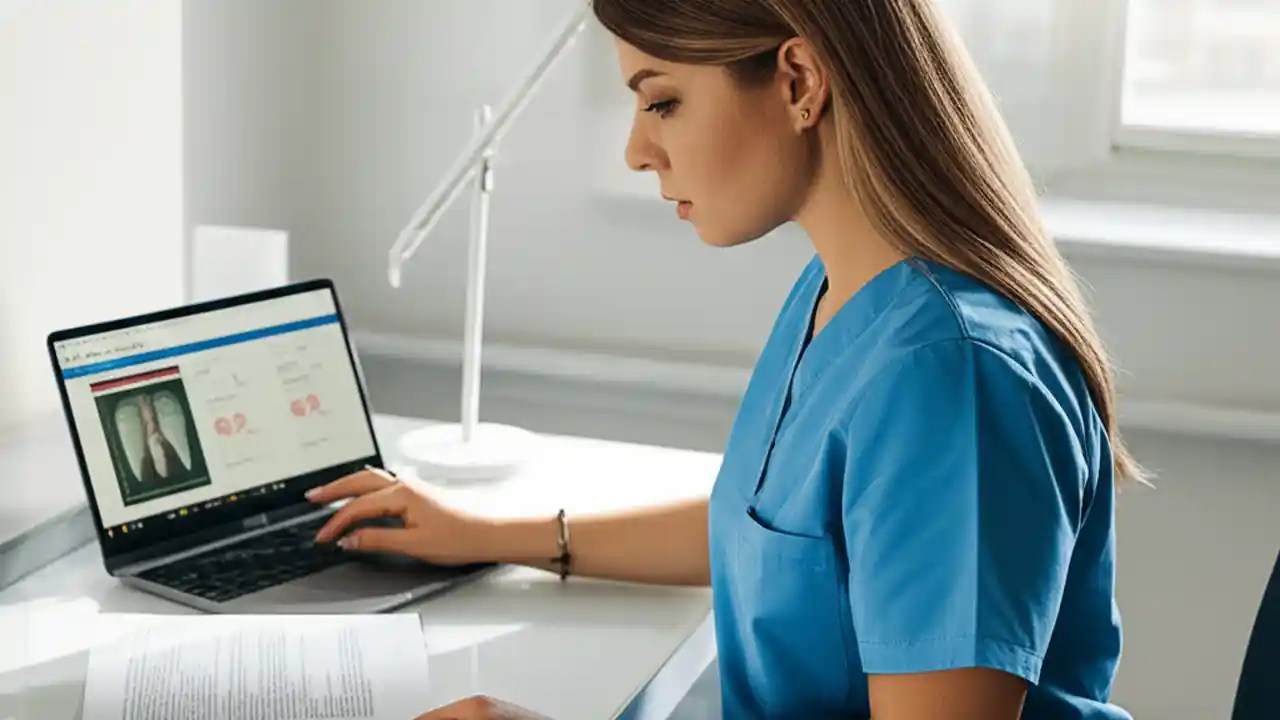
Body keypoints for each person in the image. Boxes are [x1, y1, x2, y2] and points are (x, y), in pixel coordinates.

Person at [308, 1, 1147, 717]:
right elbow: (773, 532)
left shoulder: (949, 380)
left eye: (663, 102)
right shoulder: (841, 292)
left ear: (798, 82)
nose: (638, 151)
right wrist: (486, 535)